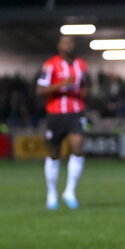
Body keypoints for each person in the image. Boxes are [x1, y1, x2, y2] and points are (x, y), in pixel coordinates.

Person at [36, 36, 88, 210]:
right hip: (55, 114)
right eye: (65, 43)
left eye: (71, 43)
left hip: (75, 112)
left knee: (78, 147)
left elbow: (86, 85)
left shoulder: (81, 65)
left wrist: (85, 92)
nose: (68, 46)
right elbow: (40, 89)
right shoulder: (50, 65)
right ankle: (51, 193)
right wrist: (61, 85)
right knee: (54, 154)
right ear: (59, 46)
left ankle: (70, 191)